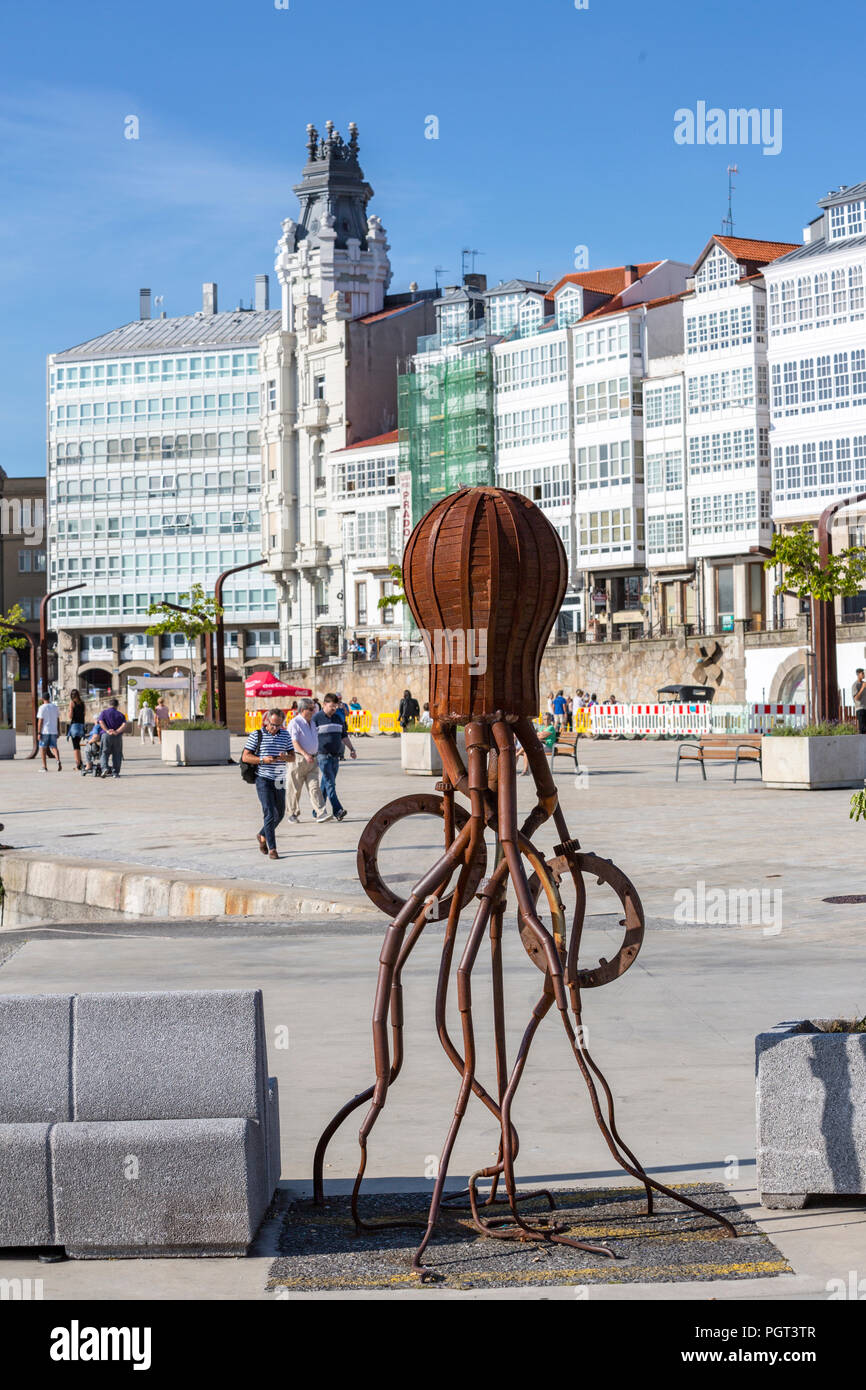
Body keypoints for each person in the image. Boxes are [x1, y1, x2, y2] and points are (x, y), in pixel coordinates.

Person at [242, 709, 294, 859]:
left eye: (278, 725)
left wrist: (285, 757)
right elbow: (246, 757)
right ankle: (272, 848)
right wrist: (262, 760)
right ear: (266, 721)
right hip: (263, 778)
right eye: (272, 724)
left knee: (280, 813)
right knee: (269, 812)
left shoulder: (285, 735)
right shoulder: (257, 735)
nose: (274, 728)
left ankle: (262, 834)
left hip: (279, 778)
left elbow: (292, 757)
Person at [314, 692, 357, 822]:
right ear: (324, 704)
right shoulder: (316, 718)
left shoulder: (338, 718)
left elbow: (344, 736)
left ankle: (316, 810)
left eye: (336, 706)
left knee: (326, 785)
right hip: (322, 756)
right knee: (330, 784)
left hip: (335, 757)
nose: (334, 708)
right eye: (332, 706)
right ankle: (337, 810)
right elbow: (310, 737)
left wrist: (352, 749)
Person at [286, 698, 328, 822]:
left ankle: (321, 812)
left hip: (313, 759)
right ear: (303, 710)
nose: (314, 711)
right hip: (298, 759)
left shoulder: (313, 722)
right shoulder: (295, 723)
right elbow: (294, 741)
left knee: (315, 787)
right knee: (294, 788)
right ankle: (292, 814)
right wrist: (305, 754)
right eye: (311, 709)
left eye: (314, 708)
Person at [97, 697, 128, 778]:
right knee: (117, 754)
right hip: (117, 736)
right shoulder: (121, 715)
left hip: (106, 735)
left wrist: (107, 730)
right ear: (117, 705)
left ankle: (104, 768)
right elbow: (124, 725)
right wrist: (117, 731)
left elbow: (101, 722)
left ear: (109, 704)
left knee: (104, 753)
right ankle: (115, 773)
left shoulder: (104, 713)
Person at [37, 695, 62, 772]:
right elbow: (58, 719)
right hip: (54, 730)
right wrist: (58, 730)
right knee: (54, 747)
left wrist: (38, 732)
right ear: (49, 698)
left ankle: (44, 767)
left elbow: (40, 721)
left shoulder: (42, 707)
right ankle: (58, 760)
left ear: (42, 699)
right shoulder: (55, 707)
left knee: (43, 748)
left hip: (45, 731)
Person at [67, 688, 86, 771]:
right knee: (77, 745)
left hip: (74, 726)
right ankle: (80, 763)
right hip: (81, 726)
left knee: (75, 746)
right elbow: (84, 714)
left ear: (72, 696)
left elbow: (70, 716)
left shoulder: (72, 703)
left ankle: (78, 764)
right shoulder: (82, 703)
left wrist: (69, 711)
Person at [853, 669, 866, 734]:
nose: (864, 674)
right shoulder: (855, 685)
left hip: (865, 708)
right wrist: (862, 688)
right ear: (858, 675)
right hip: (860, 709)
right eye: (862, 673)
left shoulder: (864, 683)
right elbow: (856, 698)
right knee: (862, 729)